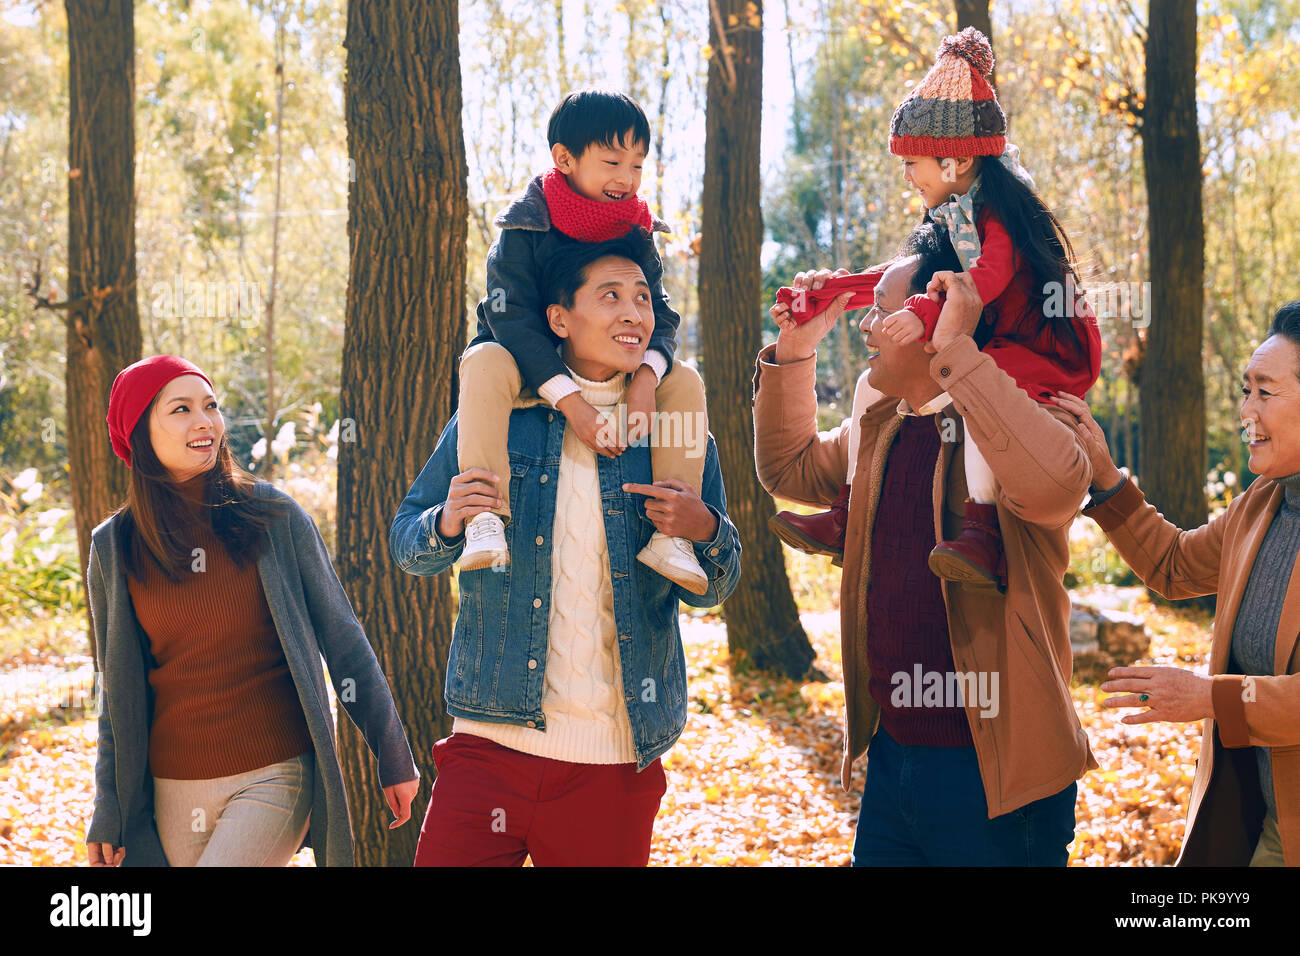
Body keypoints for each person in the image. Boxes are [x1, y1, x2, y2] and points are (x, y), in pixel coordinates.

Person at [391, 229, 741, 866]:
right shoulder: (500, 415)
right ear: (559, 317)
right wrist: (446, 523)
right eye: (610, 296)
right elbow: (407, 542)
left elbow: (714, 588)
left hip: (612, 761)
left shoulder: (675, 430)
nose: (632, 312)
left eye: (642, 297)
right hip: (490, 745)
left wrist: (706, 531)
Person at [758, 246, 1095, 866]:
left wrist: (963, 358)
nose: (865, 325)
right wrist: (798, 349)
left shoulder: (1018, 422)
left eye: (882, 310)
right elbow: (789, 467)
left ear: (936, 324)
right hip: (893, 762)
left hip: (994, 775)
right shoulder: (883, 423)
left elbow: (1056, 489)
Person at [772, 27, 1101, 592]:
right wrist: (827, 294)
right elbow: (899, 276)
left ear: (952, 158)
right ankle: (846, 512)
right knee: (864, 390)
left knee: (980, 407)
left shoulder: (1000, 213)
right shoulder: (949, 216)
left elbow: (984, 281)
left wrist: (925, 313)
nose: (907, 177)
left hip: (1031, 353)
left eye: (913, 163)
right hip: (981, 343)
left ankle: (982, 526)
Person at [84, 355, 419, 867]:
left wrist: (393, 754)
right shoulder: (114, 547)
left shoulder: (273, 516)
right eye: (181, 409)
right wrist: (108, 804)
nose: (205, 422)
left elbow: (344, 639)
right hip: (172, 789)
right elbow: (117, 689)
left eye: (211, 405)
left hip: (275, 770)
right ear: (139, 433)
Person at [1060, 300, 1300, 867]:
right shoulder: (1259, 506)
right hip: (1259, 819)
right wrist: (1105, 477)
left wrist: (1208, 697)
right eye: (1246, 390)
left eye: (1264, 392)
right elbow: (1172, 563)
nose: (1246, 409)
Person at [456, 88, 711, 595]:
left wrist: (643, 381)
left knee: (682, 381)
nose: (627, 177)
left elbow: (661, 314)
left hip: (611, 372)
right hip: (527, 368)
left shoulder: (635, 230)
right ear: (564, 159)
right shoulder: (523, 226)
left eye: (638, 164)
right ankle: (484, 513)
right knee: (484, 359)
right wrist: (570, 403)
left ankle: (671, 531)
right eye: (613, 160)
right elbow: (510, 320)